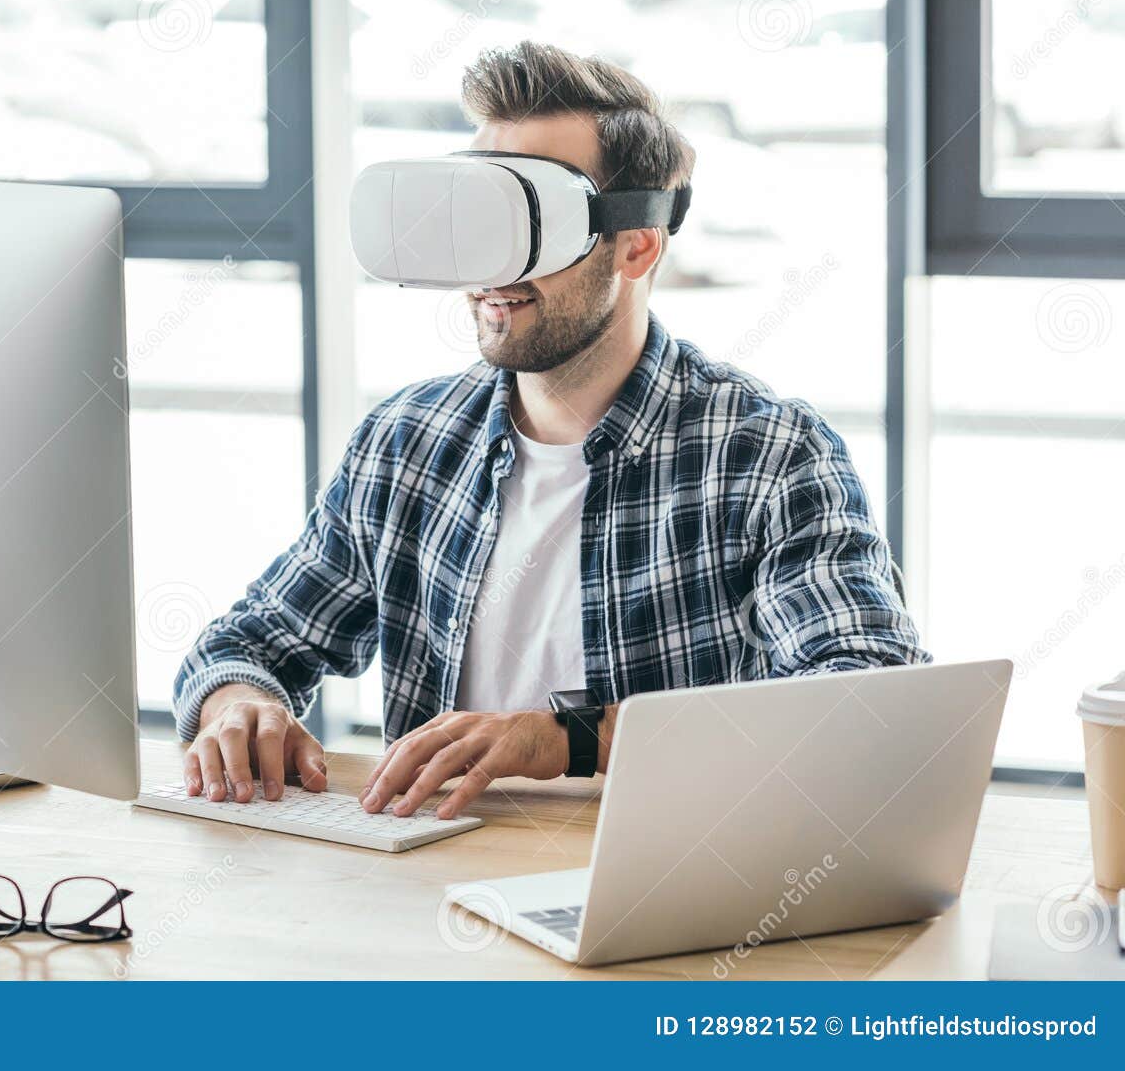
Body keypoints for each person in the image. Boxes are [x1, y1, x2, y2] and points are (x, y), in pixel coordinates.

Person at [171, 40, 926, 820]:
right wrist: (238, 705)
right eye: (481, 217)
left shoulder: (766, 455)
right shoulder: (408, 442)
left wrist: (563, 739)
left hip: (669, 888)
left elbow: (865, 705)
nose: (493, 274)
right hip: (427, 888)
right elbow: (253, 642)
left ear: (636, 245)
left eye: (532, 223)